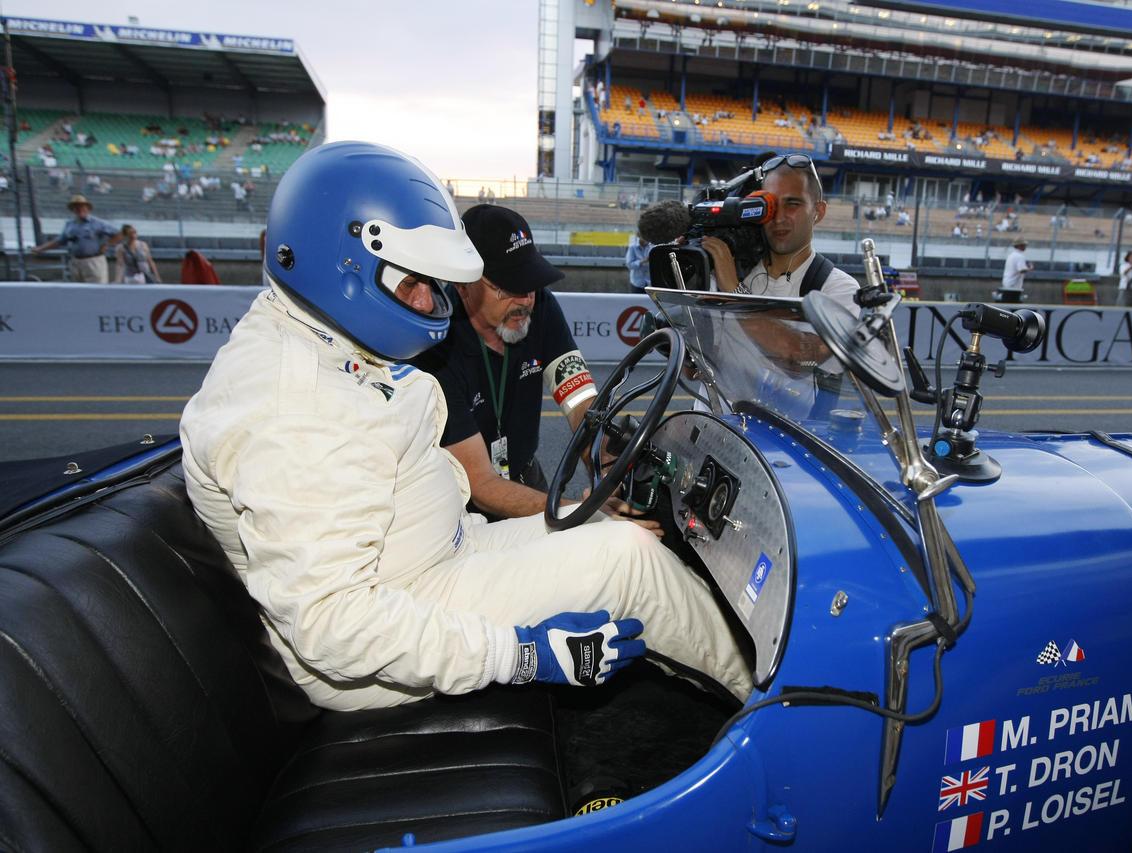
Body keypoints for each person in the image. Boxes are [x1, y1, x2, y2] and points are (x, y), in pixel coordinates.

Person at [180, 141, 750, 712]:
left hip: (441, 550)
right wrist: (520, 654)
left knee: (612, 535)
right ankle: (771, 696)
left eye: (432, 281)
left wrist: (604, 462)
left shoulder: (326, 336)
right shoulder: (294, 408)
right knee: (627, 559)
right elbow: (334, 623)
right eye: (411, 284)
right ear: (343, 268)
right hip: (386, 622)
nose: (429, 302)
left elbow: (581, 401)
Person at [413, 204, 627, 523]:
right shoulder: (437, 347)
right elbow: (481, 483)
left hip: (526, 475)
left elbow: (582, 403)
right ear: (462, 283)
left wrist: (606, 469)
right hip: (462, 501)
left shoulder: (540, 306)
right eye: (510, 287)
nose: (526, 300)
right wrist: (585, 513)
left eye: (530, 282)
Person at [702, 153, 858, 304]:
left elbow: (797, 333)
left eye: (792, 204)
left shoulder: (839, 287)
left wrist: (734, 292)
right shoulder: (726, 269)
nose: (778, 217)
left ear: (818, 212)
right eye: (770, 205)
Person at [32, 194, 122, 283]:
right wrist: (40, 249)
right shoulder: (70, 224)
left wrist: (106, 244)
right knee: (77, 290)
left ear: (87, 208)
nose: (79, 209)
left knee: (96, 290)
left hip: (93, 261)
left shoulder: (97, 223)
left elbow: (119, 234)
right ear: (73, 210)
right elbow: (60, 241)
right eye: (76, 207)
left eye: (82, 206)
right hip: (75, 262)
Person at [999, 239, 1032, 303]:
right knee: (1014, 306)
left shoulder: (1011, 255)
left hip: (1007, 283)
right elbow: (1022, 270)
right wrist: (1030, 268)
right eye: (1024, 245)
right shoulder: (1020, 256)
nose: (1025, 247)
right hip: (1014, 286)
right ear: (1020, 246)